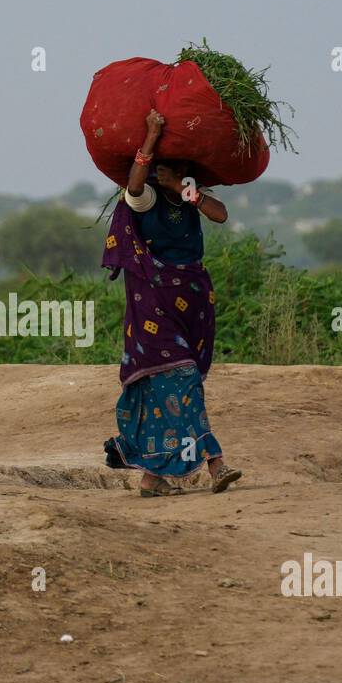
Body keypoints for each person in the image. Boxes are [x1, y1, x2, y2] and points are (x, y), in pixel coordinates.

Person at [102, 109, 242, 497]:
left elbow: (220, 213)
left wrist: (184, 187)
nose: (173, 176)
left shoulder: (188, 195)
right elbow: (132, 188)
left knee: (163, 386)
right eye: (167, 170)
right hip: (153, 301)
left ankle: (151, 478)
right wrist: (150, 137)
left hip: (191, 298)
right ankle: (216, 463)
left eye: (180, 171)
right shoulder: (145, 199)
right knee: (183, 379)